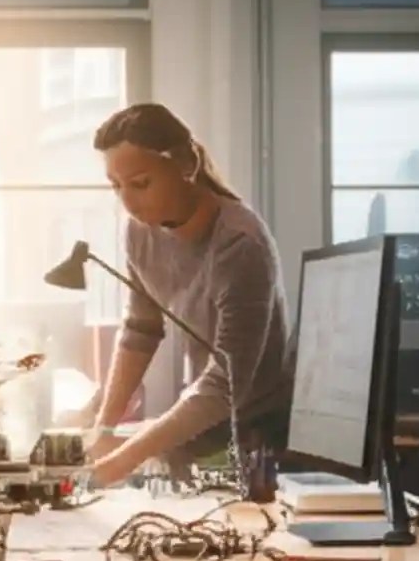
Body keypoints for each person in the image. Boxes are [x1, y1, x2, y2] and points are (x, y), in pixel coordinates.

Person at [84, 103, 294, 487]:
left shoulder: (240, 245)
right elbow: (140, 330)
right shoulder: (139, 233)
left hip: (256, 440)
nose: (128, 202)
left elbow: (224, 385)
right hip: (202, 424)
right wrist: (104, 430)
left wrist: (120, 462)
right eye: (117, 187)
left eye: (141, 183)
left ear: (184, 165)